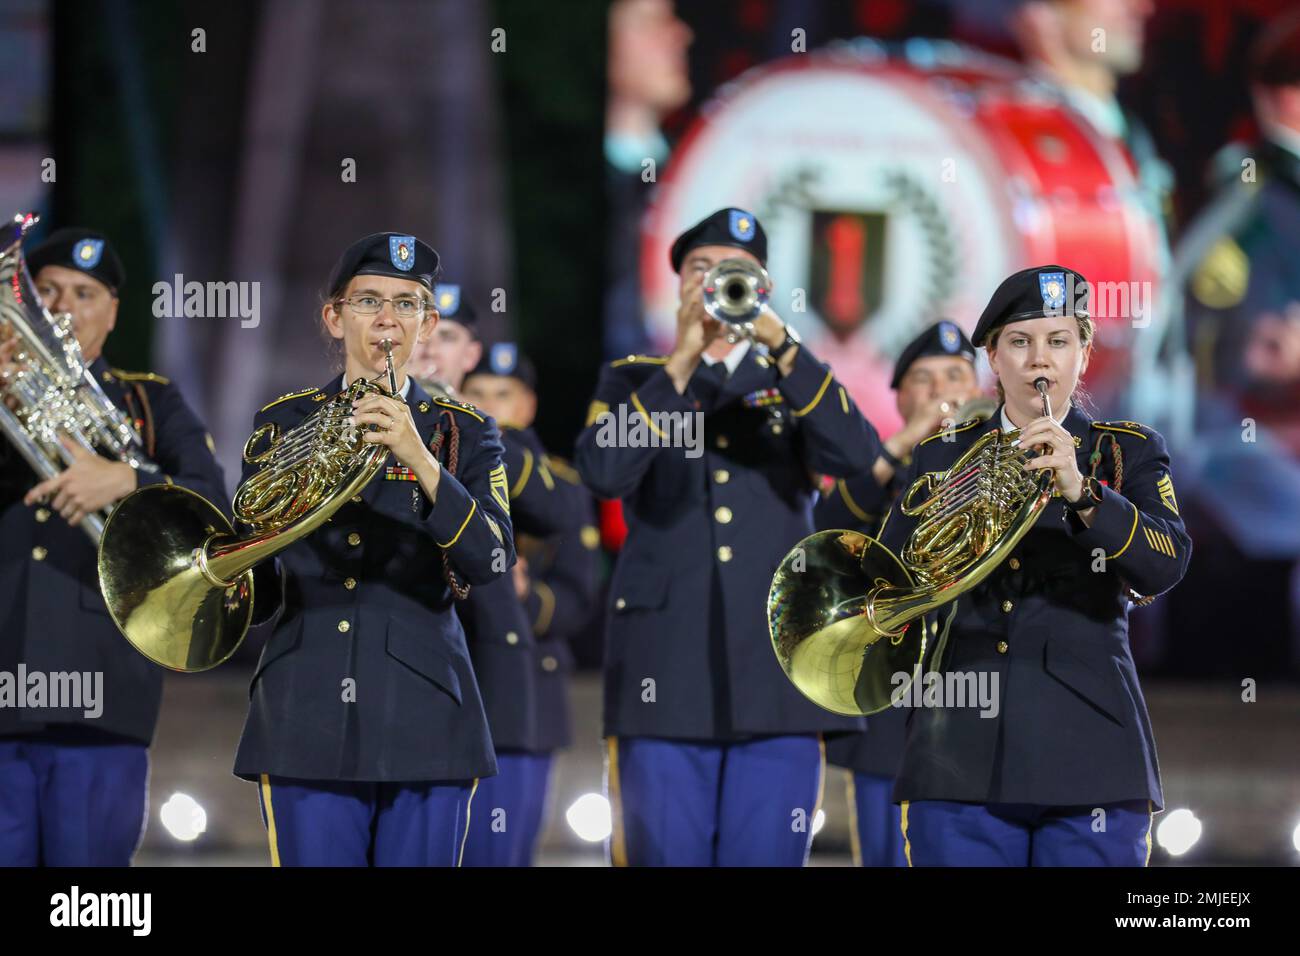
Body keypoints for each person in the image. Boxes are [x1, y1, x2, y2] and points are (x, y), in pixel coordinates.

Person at [576, 207, 882, 866]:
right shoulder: (635, 380)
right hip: (665, 671)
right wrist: (680, 364)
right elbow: (602, 471)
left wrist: (784, 346)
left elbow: (857, 455)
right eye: (700, 271)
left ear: (763, 286)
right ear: (678, 285)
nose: (716, 285)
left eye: (734, 274)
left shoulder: (792, 379)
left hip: (777, 672)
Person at [880, 265, 1190, 866]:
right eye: (1019, 342)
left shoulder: (1124, 451)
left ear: (1083, 352)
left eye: (1058, 341)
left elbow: (1166, 562)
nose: (1038, 360)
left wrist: (1083, 491)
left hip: (1091, 755)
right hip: (957, 758)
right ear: (993, 359)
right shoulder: (943, 454)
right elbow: (889, 580)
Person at [233, 232, 514, 867]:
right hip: (303, 707)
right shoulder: (283, 423)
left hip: (427, 716)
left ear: (429, 323)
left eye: (406, 304)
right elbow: (255, 588)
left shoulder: (463, 431)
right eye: (367, 301)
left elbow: (492, 560)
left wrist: (420, 460)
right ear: (335, 317)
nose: (387, 319)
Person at [0, 227, 226, 866]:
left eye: (83, 292)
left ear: (113, 310)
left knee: (88, 904)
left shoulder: (147, 401)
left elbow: (211, 499)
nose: (63, 306)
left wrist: (129, 478)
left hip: (99, 697)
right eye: (44, 292)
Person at [813, 320, 981, 868]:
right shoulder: (879, 473)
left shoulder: (1004, 470)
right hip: (892, 698)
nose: (940, 391)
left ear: (978, 388)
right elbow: (825, 533)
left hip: (981, 690)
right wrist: (905, 444)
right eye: (923, 379)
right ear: (901, 396)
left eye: (955, 375)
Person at [456, 342, 583, 865]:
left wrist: (525, 598)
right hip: (454, 679)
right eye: (477, 394)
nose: (490, 406)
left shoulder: (556, 481)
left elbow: (578, 598)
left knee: (499, 852)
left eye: (503, 396)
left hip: (524, 690)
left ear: (527, 406)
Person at [407, 282, 482, 398]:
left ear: (470, 355)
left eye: (447, 338)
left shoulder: (482, 416)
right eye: (419, 335)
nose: (431, 351)